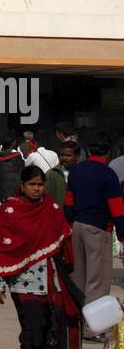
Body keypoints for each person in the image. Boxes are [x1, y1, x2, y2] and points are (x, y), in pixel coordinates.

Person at [0, 165, 82, 349]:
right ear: (22, 186)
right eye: (32, 184)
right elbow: (2, 247)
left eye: (40, 184)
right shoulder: (11, 210)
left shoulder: (51, 207)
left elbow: (63, 240)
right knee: (32, 330)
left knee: (52, 328)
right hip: (24, 282)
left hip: (52, 280)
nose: (36, 189)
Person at [63, 131, 124, 322]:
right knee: (97, 281)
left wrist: (69, 225)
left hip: (77, 226)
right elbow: (117, 209)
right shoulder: (108, 174)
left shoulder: (77, 170)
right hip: (98, 230)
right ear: (107, 152)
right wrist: (122, 235)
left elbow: (69, 201)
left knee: (78, 277)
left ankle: (76, 323)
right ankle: (92, 327)